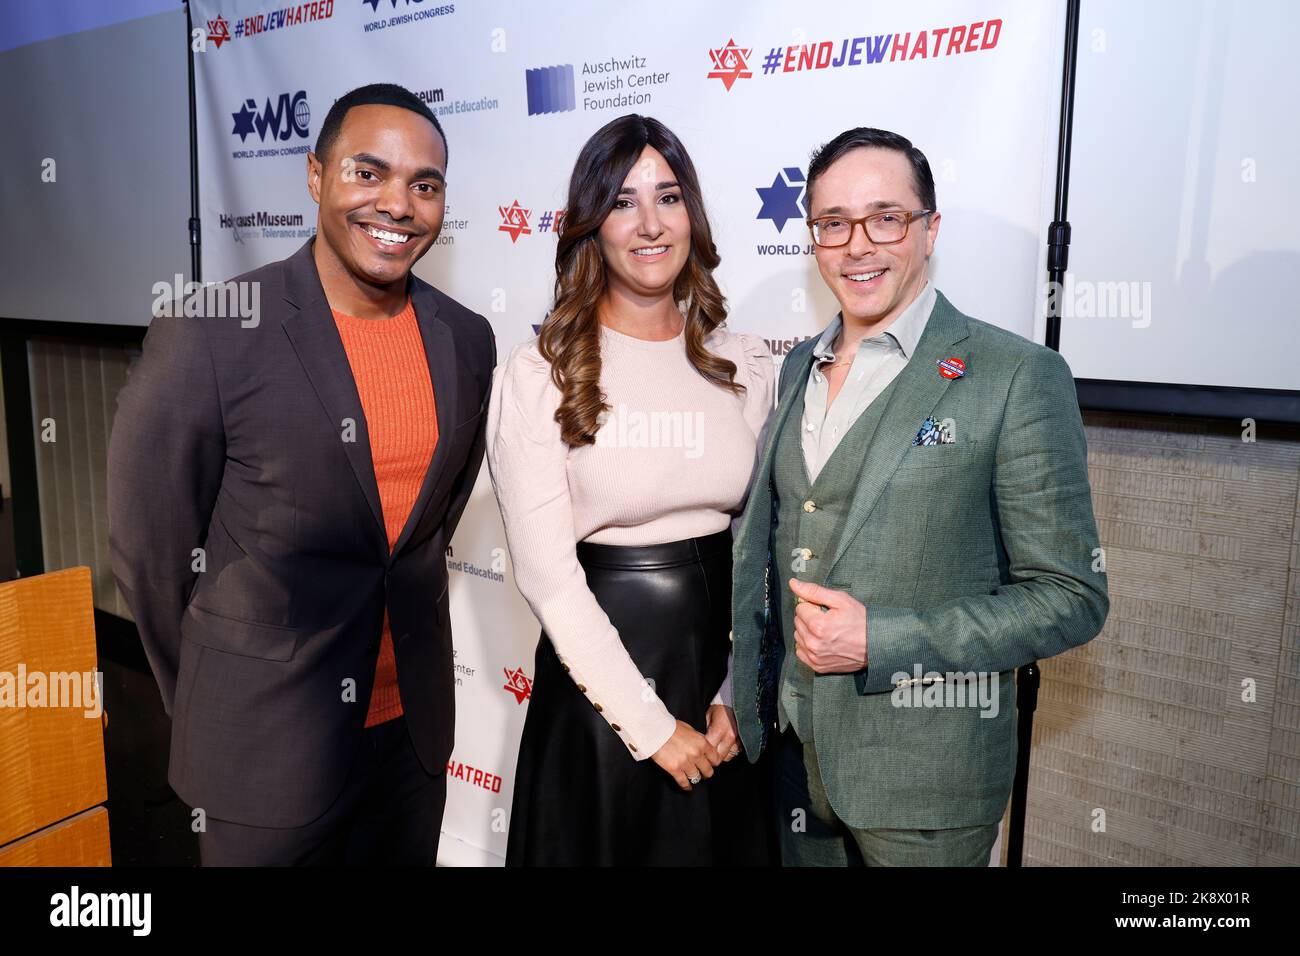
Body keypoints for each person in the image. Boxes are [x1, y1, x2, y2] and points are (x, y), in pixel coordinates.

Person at [108, 83, 495, 865]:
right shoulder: (211, 332)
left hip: (410, 740)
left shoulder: (467, 339)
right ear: (316, 177)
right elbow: (150, 554)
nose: (397, 203)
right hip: (263, 745)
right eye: (368, 172)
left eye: (424, 185)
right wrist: (221, 695)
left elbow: (422, 527)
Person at [729, 127, 1109, 866]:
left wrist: (883, 640)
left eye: (886, 217)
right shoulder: (800, 365)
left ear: (929, 230)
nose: (858, 244)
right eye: (833, 223)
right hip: (793, 761)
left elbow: (1071, 596)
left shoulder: (1015, 375)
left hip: (925, 788)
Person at [486, 114, 776, 865]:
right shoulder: (539, 371)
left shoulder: (740, 361)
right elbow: (549, 576)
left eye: (669, 197)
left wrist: (739, 688)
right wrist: (649, 726)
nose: (650, 224)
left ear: (693, 215)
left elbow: (763, 548)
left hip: (721, 694)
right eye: (622, 201)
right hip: (602, 697)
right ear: (593, 225)